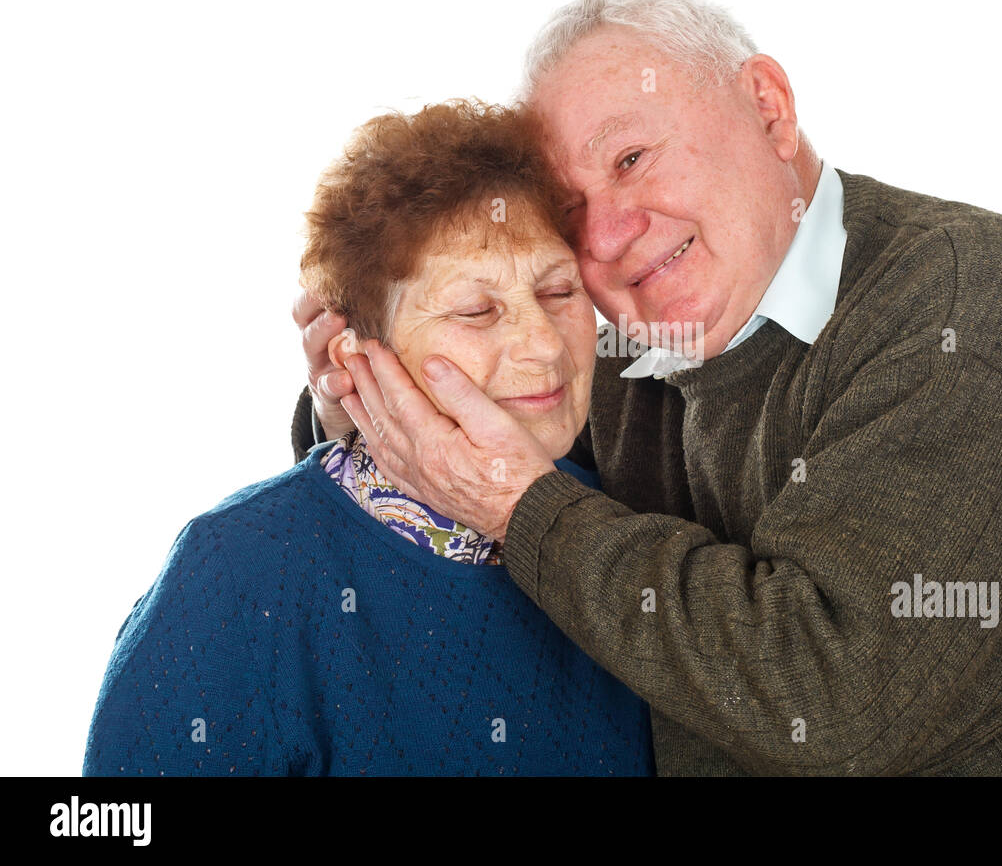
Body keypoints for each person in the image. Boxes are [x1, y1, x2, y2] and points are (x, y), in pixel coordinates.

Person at [290, 0, 1002, 776]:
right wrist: (358, 407)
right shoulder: (633, 348)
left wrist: (520, 503)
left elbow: (833, 702)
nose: (611, 231)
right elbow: (465, 509)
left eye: (633, 158)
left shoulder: (973, 308)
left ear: (767, 106)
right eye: (574, 207)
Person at [86, 99, 653, 776]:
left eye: (559, 293)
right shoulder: (233, 577)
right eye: (477, 310)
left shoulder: (620, 539)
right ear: (355, 353)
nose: (541, 344)